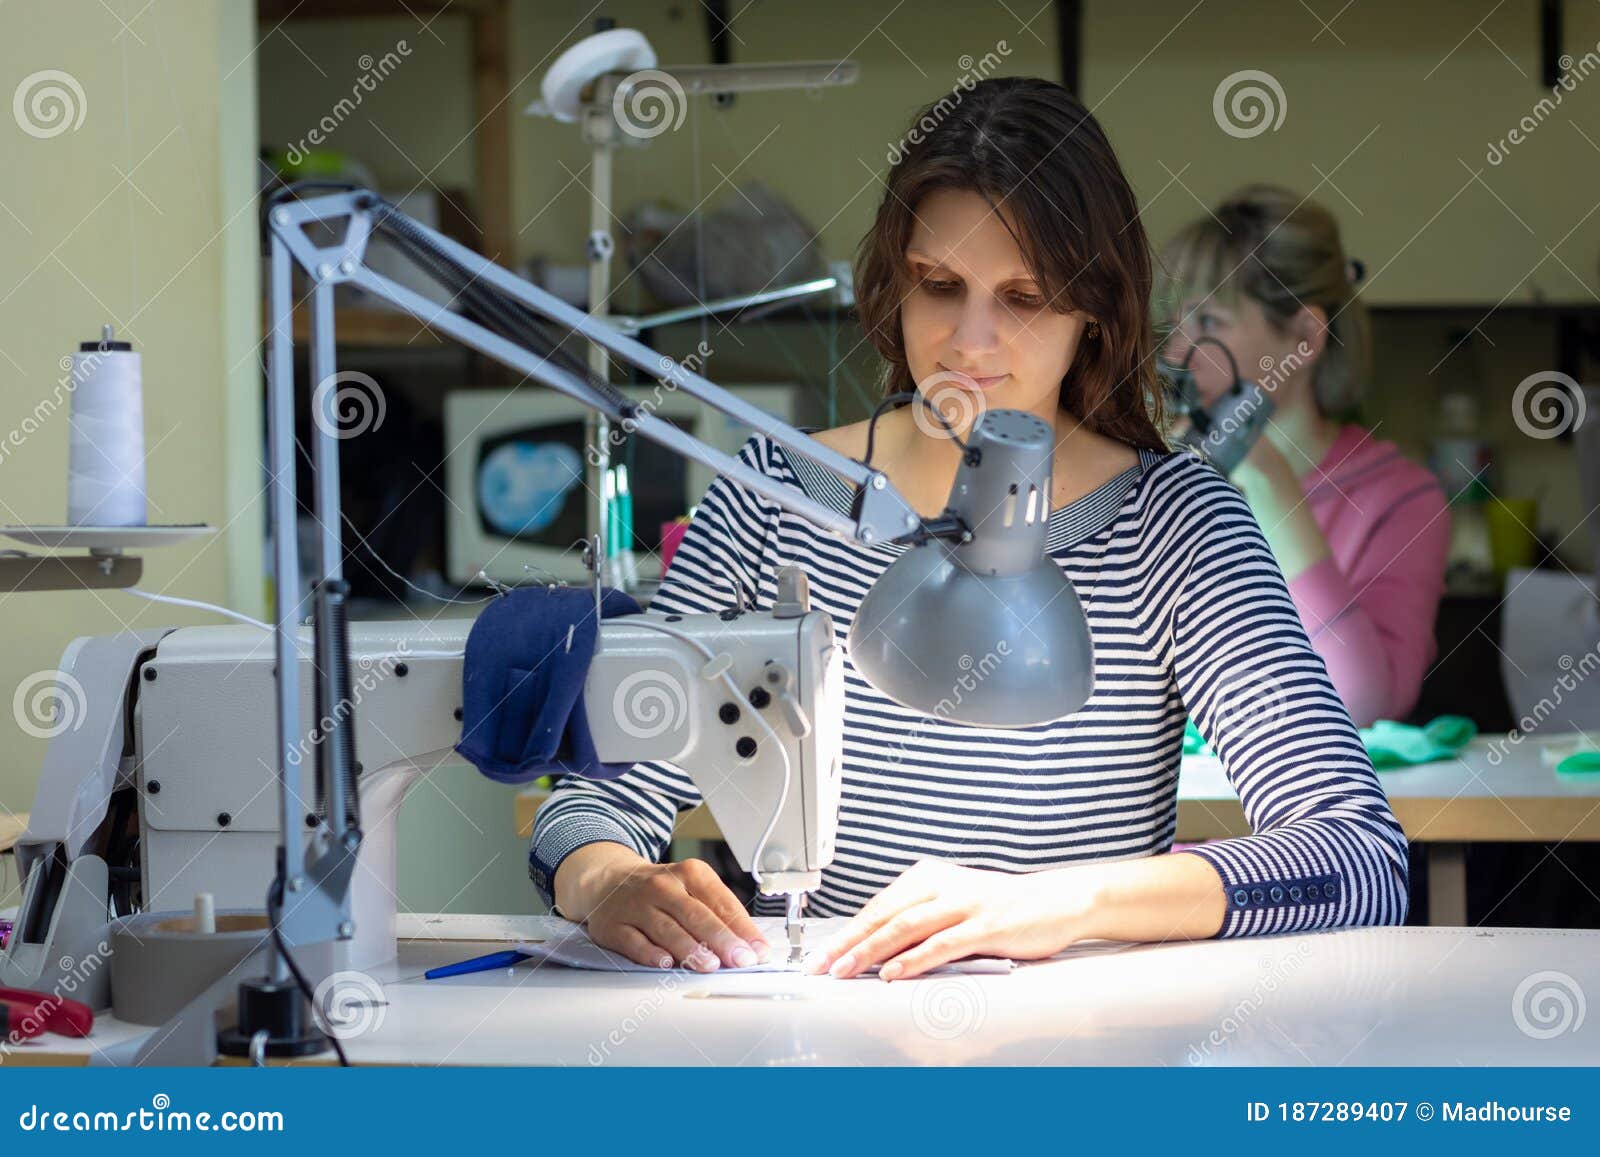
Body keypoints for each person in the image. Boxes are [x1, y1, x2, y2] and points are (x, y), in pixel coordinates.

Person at [529, 79, 1409, 981]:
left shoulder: (1175, 522)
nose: (969, 341)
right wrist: (606, 882)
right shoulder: (775, 494)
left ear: (1093, 310)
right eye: (939, 285)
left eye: (1024, 297)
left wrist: (1058, 903)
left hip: (1078, 1049)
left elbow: (1357, 858)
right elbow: (594, 804)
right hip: (822, 1029)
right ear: (893, 283)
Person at [1158, 186, 1449, 728]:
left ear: (1306, 336)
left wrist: (1272, 489)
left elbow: (1362, 704)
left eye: (1210, 324)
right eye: (1177, 323)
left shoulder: (1403, 501)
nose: (1177, 353)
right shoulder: (1161, 482)